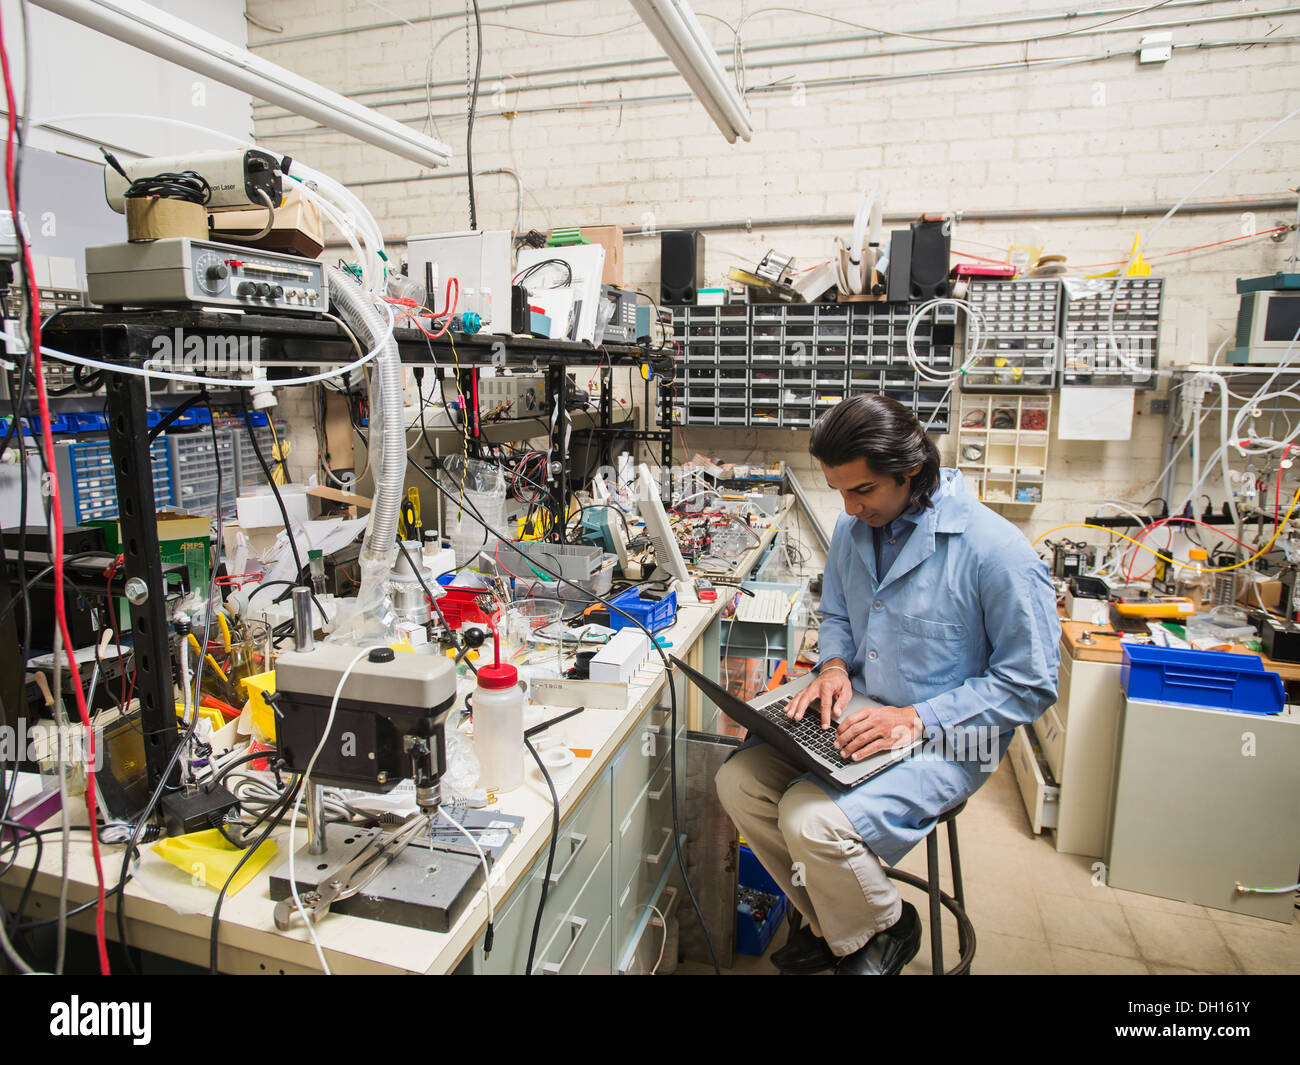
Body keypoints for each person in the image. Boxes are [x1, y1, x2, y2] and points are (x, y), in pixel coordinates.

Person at [715, 394, 1060, 975]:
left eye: (863, 491)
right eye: (839, 491)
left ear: (912, 472)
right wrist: (831, 667)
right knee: (739, 781)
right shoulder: (855, 531)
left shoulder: (996, 553)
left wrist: (915, 720)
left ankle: (890, 923)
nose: (848, 508)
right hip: (860, 718)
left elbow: (1029, 683)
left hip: (951, 738)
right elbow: (841, 618)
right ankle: (849, 928)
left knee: (808, 816)